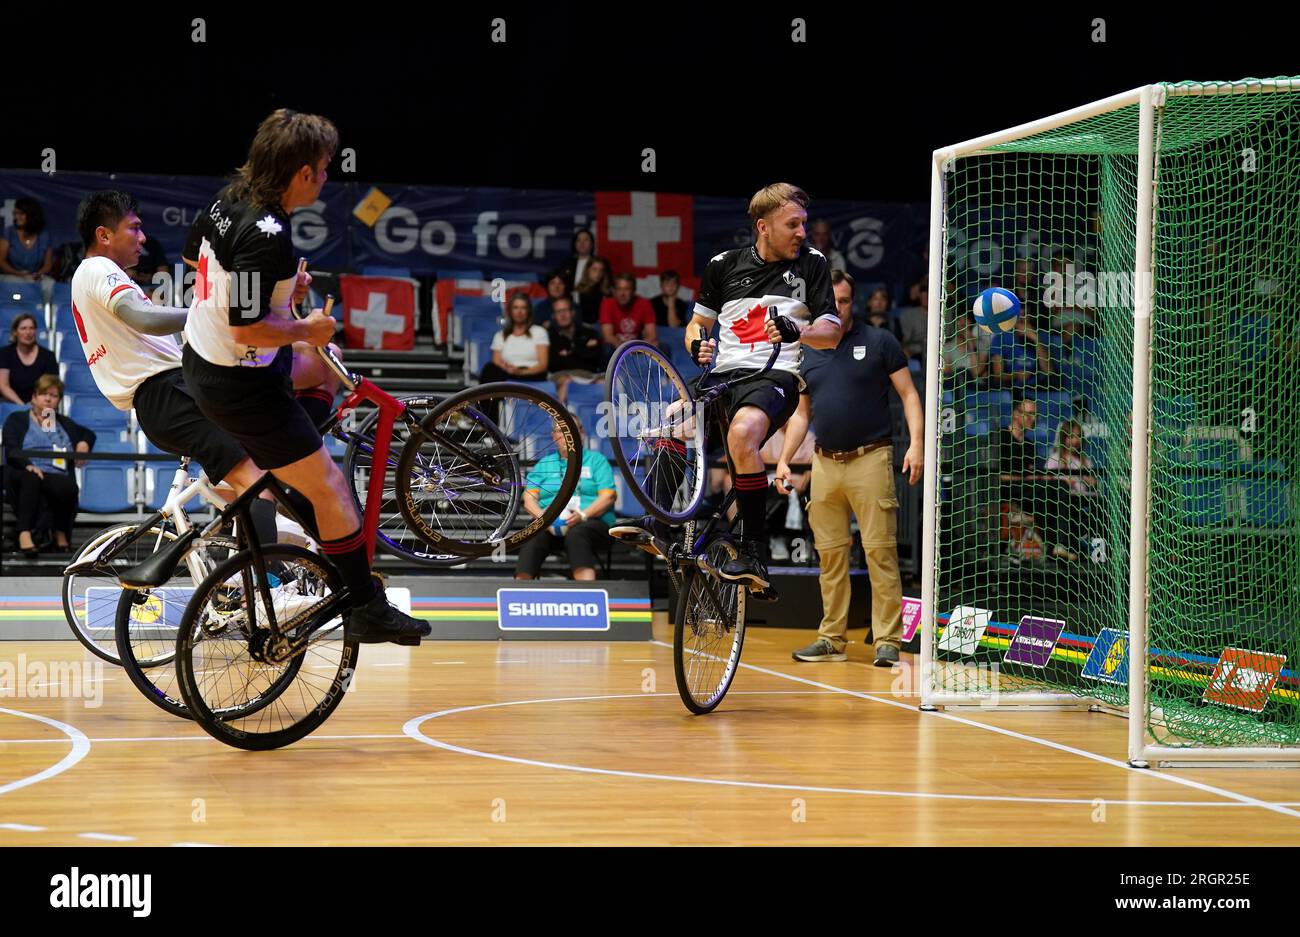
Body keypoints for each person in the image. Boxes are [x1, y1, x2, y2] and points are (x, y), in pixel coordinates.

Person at [180, 108, 427, 647]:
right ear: (302, 173)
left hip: (204, 360)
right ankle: (366, 607)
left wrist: (279, 291)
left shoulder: (229, 200)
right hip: (239, 383)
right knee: (335, 489)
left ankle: (294, 464)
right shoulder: (266, 233)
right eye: (323, 167)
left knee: (326, 369)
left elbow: (197, 263)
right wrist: (302, 325)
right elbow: (247, 328)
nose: (328, 177)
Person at [610, 182, 841, 589]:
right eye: (794, 224)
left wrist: (797, 330)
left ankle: (754, 551)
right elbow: (696, 325)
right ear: (763, 227)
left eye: (804, 223)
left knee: (742, 432)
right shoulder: (723, 265)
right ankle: (658, 523)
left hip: (775, 376)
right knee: (673, 421)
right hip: (724, 376)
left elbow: (831, 332)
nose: (802, 232)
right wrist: (698, 343)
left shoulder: (813, 263)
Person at [777, 270, 923, 666]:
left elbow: (909, 395)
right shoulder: (806, 352)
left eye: (844, 301)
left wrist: (917, 445)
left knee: (880, 552)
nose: (838, 308)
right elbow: (801, 416)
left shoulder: (879, 342)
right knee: (831, 556)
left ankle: (887, 641)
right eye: (832, 302)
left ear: (852, 302)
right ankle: (831, 639)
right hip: (825, 462)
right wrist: (785, 459)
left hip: (871, 458)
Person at [3, 375, 94, 556]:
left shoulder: (59, 422)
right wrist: (27, 464)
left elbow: (88, 433)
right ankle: (24, 533)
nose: (48, 399)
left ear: (59, 400)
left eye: (53, 396)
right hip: (23, 470)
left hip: (53, 473)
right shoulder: (18, 419)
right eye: (44, 394)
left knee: (67, 486)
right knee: (32, 478)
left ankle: (60, 533)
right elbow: (10, 448)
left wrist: (83, 443)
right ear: (34, 397)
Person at [515, 424, 617, 581]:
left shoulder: (596, 460)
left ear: (581, 434)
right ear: (553, 436)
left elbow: (608, 496)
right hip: (549, 523)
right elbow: (528, 499)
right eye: (561, 432)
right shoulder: (544, 464)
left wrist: (583, 515)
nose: (567, 436)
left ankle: (587, 594)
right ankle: (519, 592)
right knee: (532, 533)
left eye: (573, 430)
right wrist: (544, 519)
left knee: (577, 534)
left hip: (591, 522)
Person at [479, 293, 550, 384]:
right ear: (510, 311)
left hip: (531, 374)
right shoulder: (500, 335)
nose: (519, 312)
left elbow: (543, 365)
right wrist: (508, 369)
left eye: (523, 308)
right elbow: (496, 362)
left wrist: (520, 372)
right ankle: (483, 397)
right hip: (507, 374)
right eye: (516, 308)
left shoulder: (539, 332)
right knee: (489, 369)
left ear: (528, 311)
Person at [546, 295, 602, 400]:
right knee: (566, 381)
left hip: (589, 375)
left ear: (573, 312)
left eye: (565, 310)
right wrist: (582, 350)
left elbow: (595, 358)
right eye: (558, 312)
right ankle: (561, 415)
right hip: (562, 375)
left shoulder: (589, 332)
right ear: (554, 316)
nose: (562, 315)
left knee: (604, 382)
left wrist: (568, 353)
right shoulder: (549, 336)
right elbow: (554, 364)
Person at [0, 313, 58, 404]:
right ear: (15, 332)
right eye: (23, 328)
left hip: (40, 405)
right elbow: (3, 386)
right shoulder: (4, 353)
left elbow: (51, 386)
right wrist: (22, 406)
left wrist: (34, 406)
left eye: (31, 328)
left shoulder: (48, 356)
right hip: (10, 404)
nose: (28, 332)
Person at [599, 273, 657, 355]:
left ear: (633, 291)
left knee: (662, 348)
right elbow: (608, 336)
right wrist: (626, 347)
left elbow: (652, 336)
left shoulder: (644, 304)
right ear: (614, 291)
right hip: (616, 348)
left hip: (637, 346)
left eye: (627, 289)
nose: (622, 294)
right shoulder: (607, 304)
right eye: (619, 289)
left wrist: (635, 347)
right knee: (607, 348)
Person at [0, 198, 55, 283]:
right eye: (15, 213)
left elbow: (48, 264)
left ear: (31, 215)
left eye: (21, 214)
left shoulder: (44, 235)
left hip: (35, 278)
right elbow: (1, 261)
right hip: (12, 276)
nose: (16, 217)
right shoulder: (9, 232)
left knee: (49, 283)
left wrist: (38, 274)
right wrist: (19, 274)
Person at [942, 312, 990, 387]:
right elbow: (948, 373)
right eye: (959, 320)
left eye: (965, 319)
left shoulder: (981, 345)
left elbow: (977, 371)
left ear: (970, 321)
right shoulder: (948, 347)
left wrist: (970, 343)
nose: (962, 323)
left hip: (976, 388)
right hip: (955, 386)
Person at [574, 255, 611, 325]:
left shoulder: (607, 292)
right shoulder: (578, 291)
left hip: (601, 326)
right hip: (582, 326)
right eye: (594, 269)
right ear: (587, 270)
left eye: (601, 270)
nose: (598, 273)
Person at [562, 228, 596, 298]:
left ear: (592, 244)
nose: (582, 243)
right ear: (575, 244)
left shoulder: (598, 263)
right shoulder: (567, 263)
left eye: (586, 240)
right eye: (578, 240)